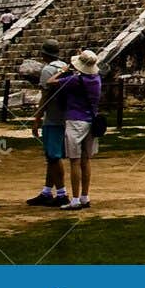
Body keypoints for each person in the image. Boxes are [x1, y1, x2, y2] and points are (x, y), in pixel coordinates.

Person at [55, 49, 103, 210]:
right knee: (86, 160)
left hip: (75, 121)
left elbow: (50, 82)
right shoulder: (96, 79)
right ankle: (85, 196)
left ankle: (75, 199)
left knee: (74, 161)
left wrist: (64, 71)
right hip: (91, 121)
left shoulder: (75, 81)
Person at [26, 39, 69, 208]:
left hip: (53, 118)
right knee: (52, 156)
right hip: (66, 117)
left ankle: (61, 194)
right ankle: (46, 192)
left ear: (44, 54)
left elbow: (45, 97)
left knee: (53, 156)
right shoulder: (65, 67)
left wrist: (37, 118)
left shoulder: (48, 70)